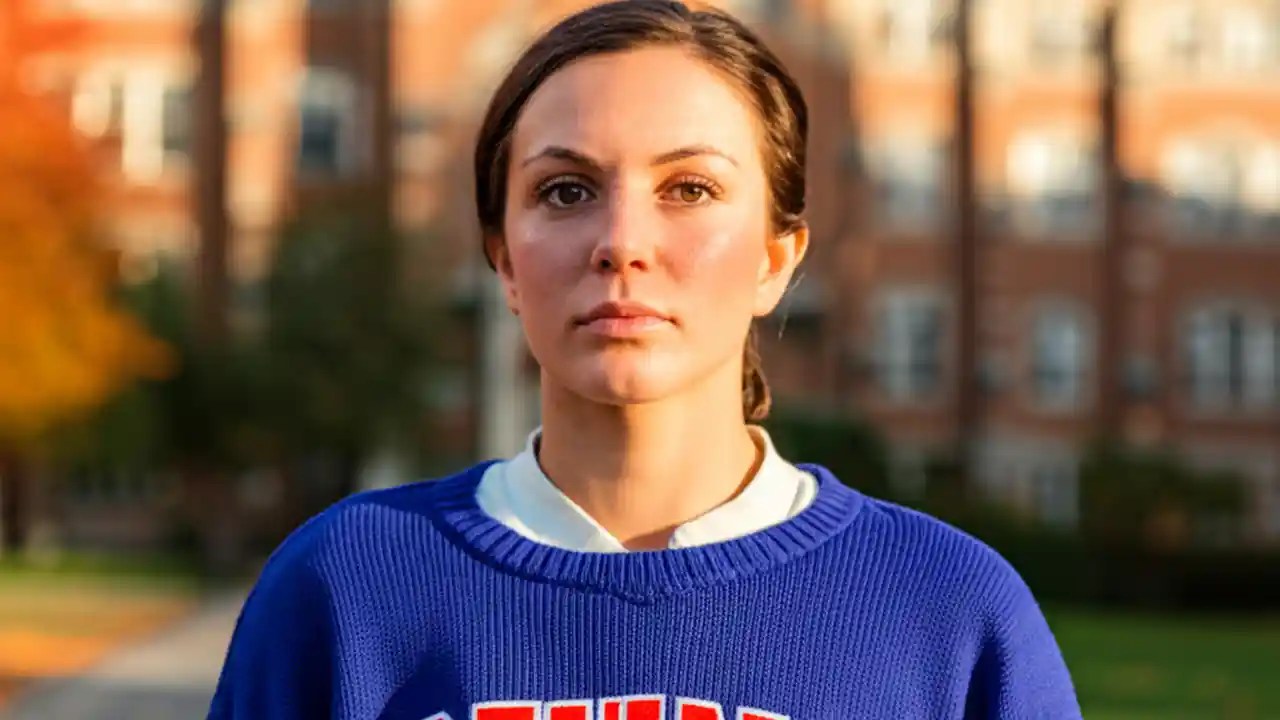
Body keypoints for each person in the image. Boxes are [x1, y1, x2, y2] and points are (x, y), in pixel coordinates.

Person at [207, 1, 1082, 718]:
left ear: (777, 259)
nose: (622, 242)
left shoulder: (951, 613)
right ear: (505, 259)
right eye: (565, 191)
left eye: (690, 189)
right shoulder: (345, 587)